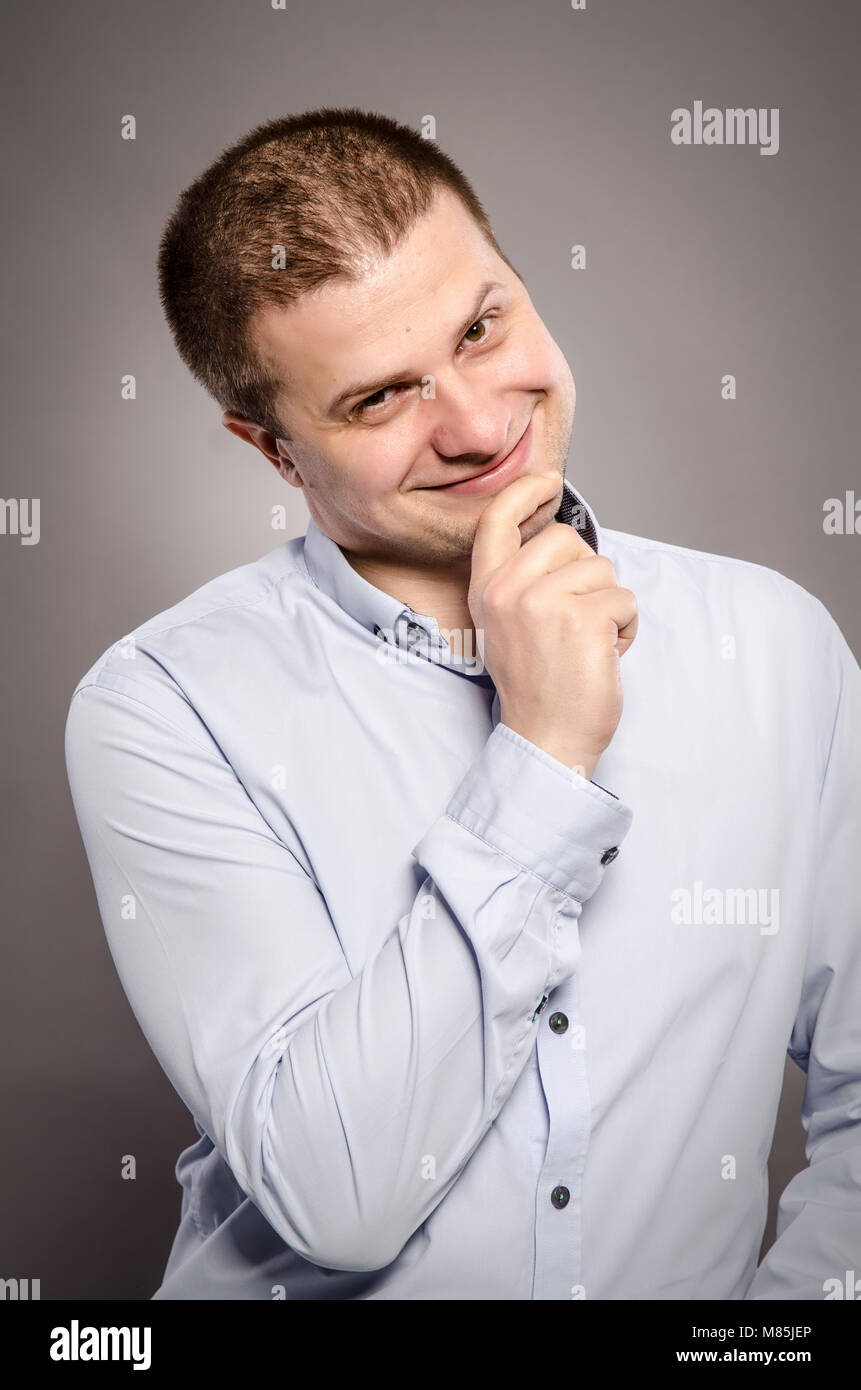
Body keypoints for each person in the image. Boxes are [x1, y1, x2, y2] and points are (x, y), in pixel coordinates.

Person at [64, 107, 861, 1300]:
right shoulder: (163, 705)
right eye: (381, 399)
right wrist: (542, 753)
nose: (483, 427)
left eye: (484, 326)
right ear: (274, 450)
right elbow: (339, 1199)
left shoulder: (777, 646)